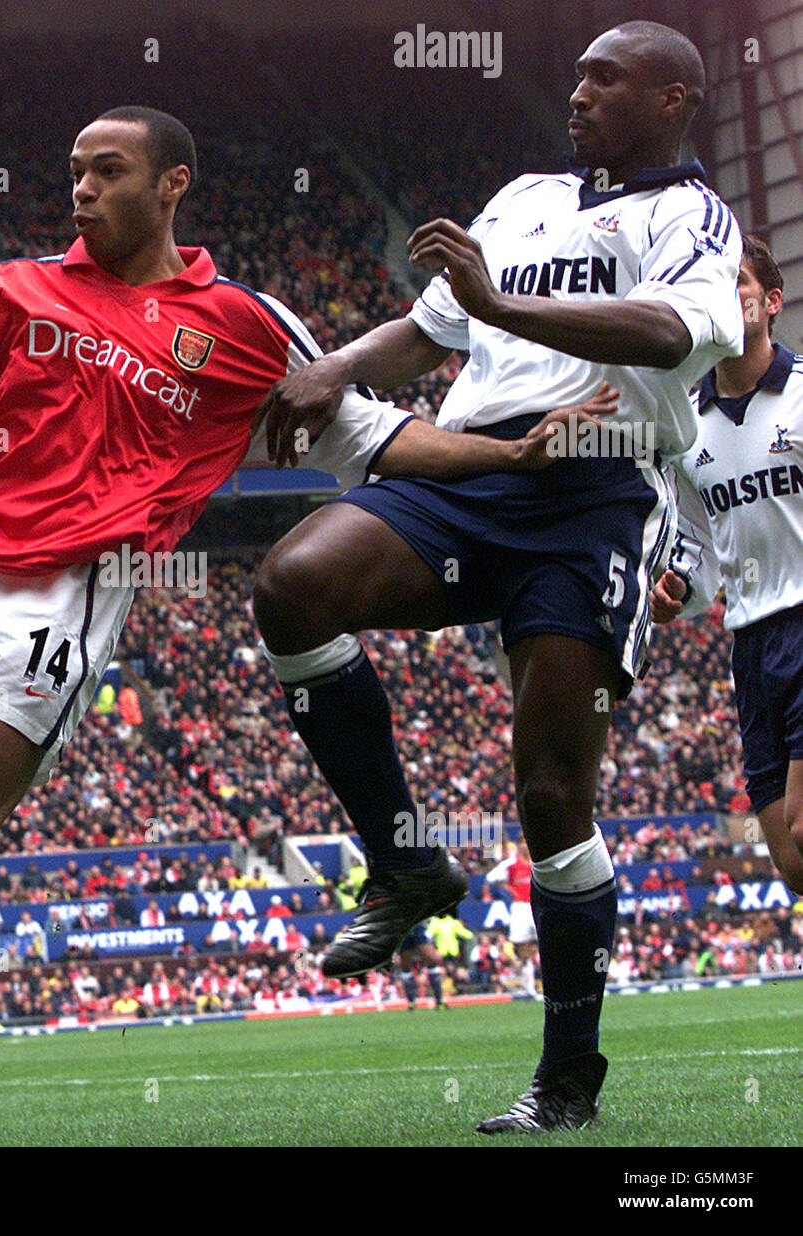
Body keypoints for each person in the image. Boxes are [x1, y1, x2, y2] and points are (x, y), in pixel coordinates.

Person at [0, 106, 610, 1148]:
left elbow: (378, 440)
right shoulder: (9, 291)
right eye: (74, 170)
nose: (81, 188)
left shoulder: (245, 325)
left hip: (67, 597)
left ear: (171, 184)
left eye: (107, 170)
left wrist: (508, 458)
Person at [251, 21, 742, 1132]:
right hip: (470, 474)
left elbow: (671, 332)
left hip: (594, 492)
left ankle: (568, 1078)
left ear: (671, 101)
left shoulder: (688, 216)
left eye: (605, 78)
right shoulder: (521, 196)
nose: (577, 92)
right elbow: (425, 338)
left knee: (552, 797)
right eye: (574, 74)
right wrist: (332, 369)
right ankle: (405, 862)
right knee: (290, 585)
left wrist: (500, 305)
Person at [652, 235, 803, 894]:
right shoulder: (686, 426)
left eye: (741, 279)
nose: (729, 288)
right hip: (751, 645)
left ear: (772, 301)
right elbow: (699, 552)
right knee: (794, 868)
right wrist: (676, 592)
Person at [486, 838, 539, 995]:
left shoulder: (538, 861)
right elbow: (491, 878)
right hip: (520, 907)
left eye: (526, 843)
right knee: (522, 946)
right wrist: (507, 887)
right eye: (522, 843)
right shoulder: (511, 863)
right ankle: (529, 988)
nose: (525, 846)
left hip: (538, 905)